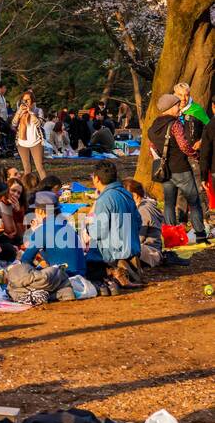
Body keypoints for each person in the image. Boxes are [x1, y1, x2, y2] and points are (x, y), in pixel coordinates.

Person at [147, 92, 209, 243]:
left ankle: (170, 237)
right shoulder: (175, 124)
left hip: (165, 170)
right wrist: (196, 155)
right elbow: (184, 145)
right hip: (181, 168)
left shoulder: (153, 126)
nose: (179, 107)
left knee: (169, 202)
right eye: (176, 105)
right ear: (169, 107)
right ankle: (200, 235)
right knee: (194, 202)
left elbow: (152, 147)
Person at [85, 164, 142, 284]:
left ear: (97, 179)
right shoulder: (127, 194)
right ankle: (127, 263)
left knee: (85, 269)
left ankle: (115, 270)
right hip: (132, 247)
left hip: (113, 252)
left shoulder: (104, 199)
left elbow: (99, 232)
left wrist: (88, 228)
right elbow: (138, 222)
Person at [20, 190, 86, 277]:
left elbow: (25, 260)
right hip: (81, 276)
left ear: (41, 212)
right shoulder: (67, 225)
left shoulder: (43, 230)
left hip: (65, 279)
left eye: (35, 210)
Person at [124, 178, 164, 262]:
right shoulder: (145, 204)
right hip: (150, 249)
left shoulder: (143, 210)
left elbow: (139, 238)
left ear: (134, 195)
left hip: (150, 251)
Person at [12, 90, 46, 179]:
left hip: (36, 142)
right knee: (27, 169)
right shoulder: (20, 111)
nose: (26, 102)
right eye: (24, 100)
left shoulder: (38, 110)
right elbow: (14, 124)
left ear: (33, 101)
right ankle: (28, 189)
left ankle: (46, 188)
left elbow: (39, 123)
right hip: (22, 143)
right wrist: (19, 112)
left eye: (28, 100)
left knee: (40, 167)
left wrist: (30, 112)